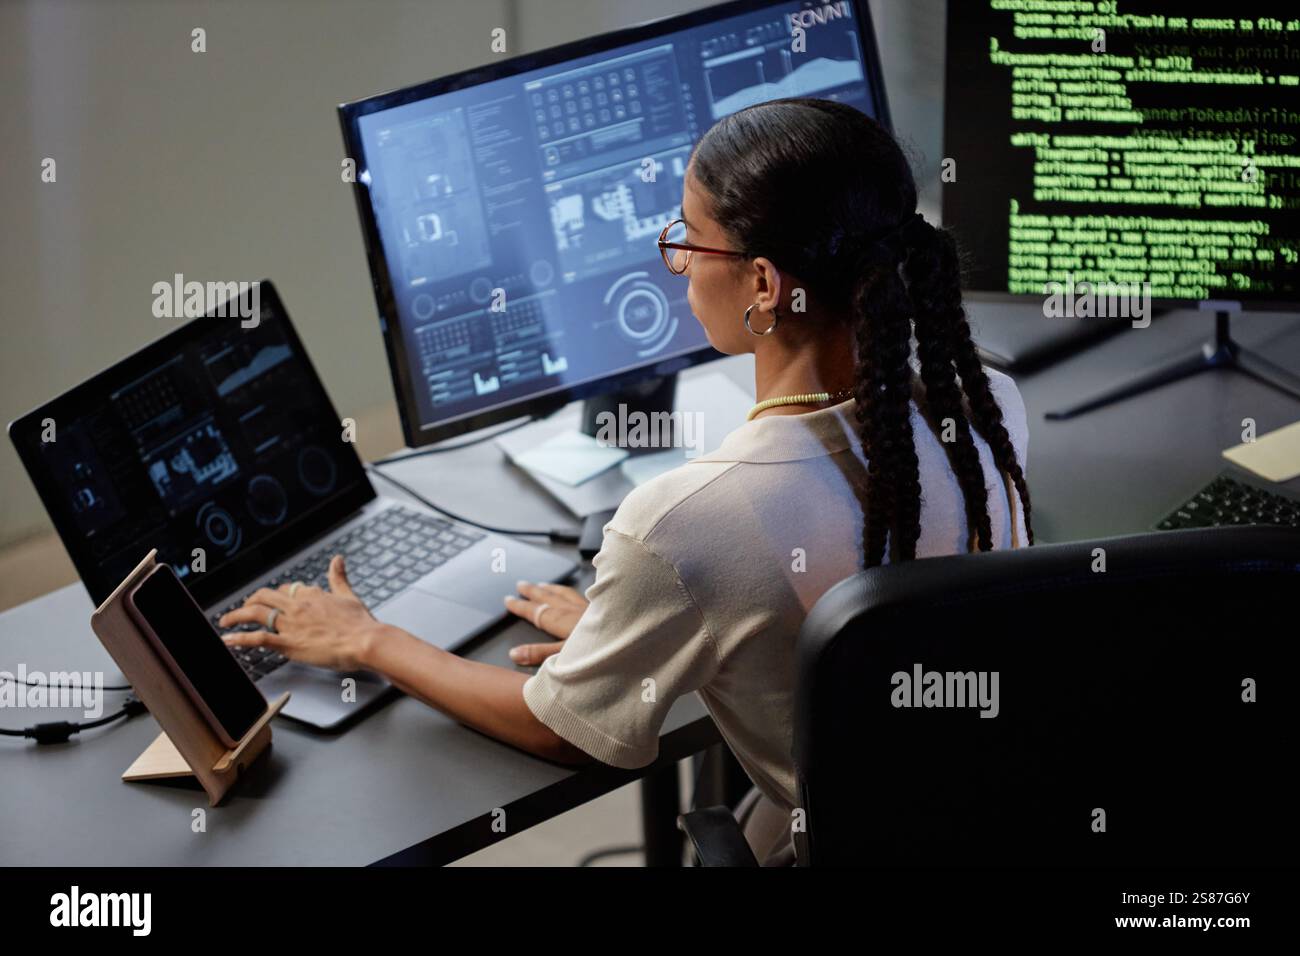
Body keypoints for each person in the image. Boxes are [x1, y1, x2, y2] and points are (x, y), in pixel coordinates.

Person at [219, 97, 1032, 866]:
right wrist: (633, 622)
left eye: (691, 238)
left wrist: (370, 640)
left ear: (762, 285)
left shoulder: (689, 523)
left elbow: (560, 731)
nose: (677, 264)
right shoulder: (992, 409)